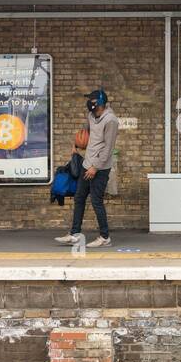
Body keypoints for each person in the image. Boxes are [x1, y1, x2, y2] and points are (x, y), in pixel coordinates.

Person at [56, 88, 119, 248]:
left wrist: (95, 167)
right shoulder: (91, 116)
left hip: (100, 168)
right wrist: (76, 145)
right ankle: (74, 234)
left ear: (99, 103)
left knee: (96, 201)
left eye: (91, 101)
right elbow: (85, 133)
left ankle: (105, 237)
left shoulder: (111, 120)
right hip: (86, 164)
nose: (88, 103)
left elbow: (108, 148)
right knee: (79, 198)